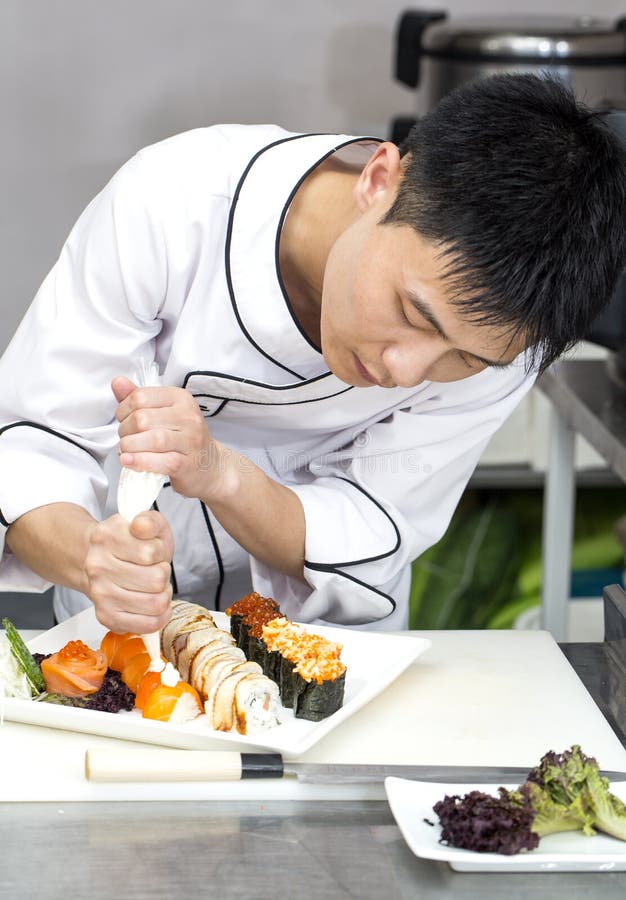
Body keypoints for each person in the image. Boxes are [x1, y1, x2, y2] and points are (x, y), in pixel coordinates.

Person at [0, 74, 624, 634]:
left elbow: (371, 521)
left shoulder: (505, 339)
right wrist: (94, 558)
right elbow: (34, 449)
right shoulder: (173, 204)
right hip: (112, 634)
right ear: (380, 181)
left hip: (333, 653)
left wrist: (223, 474)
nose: (406, 372)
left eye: (459, 361)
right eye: (410, 313)